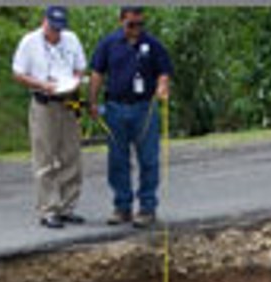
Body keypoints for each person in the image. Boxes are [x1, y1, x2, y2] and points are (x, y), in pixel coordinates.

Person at [88, 7, 173, 228]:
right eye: (131, 25)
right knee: (118, 160)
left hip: (144, 108)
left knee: (149, 159)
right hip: (115, 108)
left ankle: (147, 208)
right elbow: (97, 73)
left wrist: (162, 86)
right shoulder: (108, 44)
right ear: (121, 21)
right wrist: (92, 102)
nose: (136, 29)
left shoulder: (152, 44)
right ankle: (122, 206)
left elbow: (164, 71)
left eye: (140, 24)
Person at [13, 6, 87, 229]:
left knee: (71, 155)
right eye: (52, 28)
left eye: (59, 29)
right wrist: (42, 84)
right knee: (45, 157)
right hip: (44, 102)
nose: (56, 33)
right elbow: (18, 73)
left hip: (68, 100)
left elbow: (80, 68)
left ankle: (67, 207)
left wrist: (75, 81)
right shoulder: (29, 42)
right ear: (44, 21)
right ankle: (49, 209)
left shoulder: (71, 39)